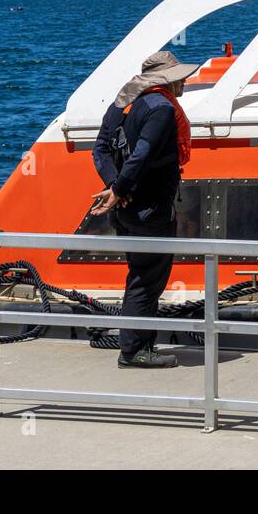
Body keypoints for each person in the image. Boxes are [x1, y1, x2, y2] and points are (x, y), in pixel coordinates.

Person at [90, 50, 199, 369]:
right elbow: (143, 154)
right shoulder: (161, 108)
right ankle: (134, 350)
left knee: (139, 275)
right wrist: (119, 189)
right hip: (151, 210)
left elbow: (99, 150)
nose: (184, 82)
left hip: (126, 211)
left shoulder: (123, 102)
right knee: (147, 280)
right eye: (179, 78)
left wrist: (116, 187)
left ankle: (140, 344)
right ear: (166, 80)